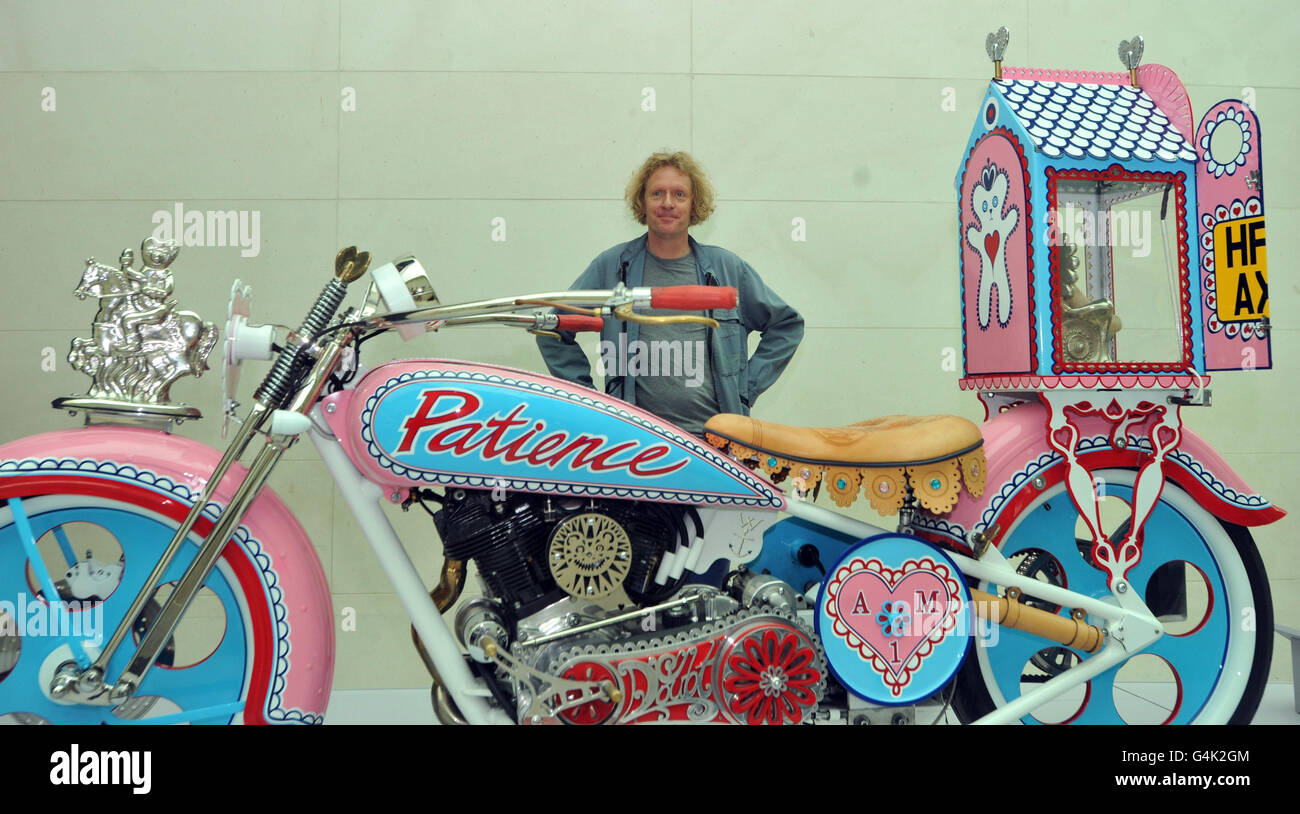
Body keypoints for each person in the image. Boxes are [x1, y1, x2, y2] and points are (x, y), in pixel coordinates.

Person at [536, 151, 804, 437]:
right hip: (633, 443)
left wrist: (744, 390)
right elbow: (551, 328)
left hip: (716, 445)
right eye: (657, 194)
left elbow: (786, 326)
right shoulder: (612, 268)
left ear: (693, 204)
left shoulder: (727, 270)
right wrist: (592, 401)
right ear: (642, 201)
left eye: (679, 194)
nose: (667, 203)